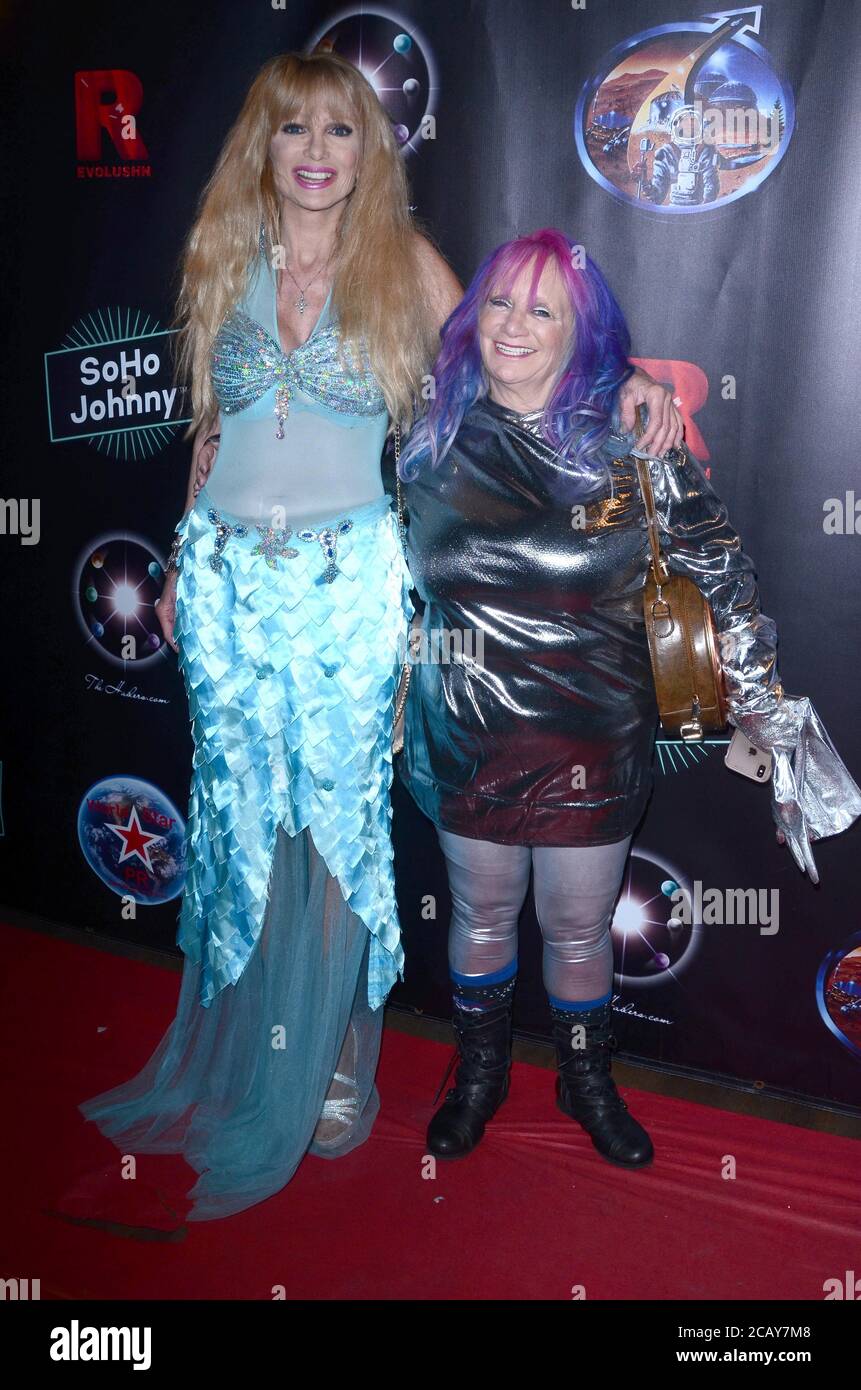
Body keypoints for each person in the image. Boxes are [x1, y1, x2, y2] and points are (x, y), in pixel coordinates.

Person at [80, 52, 678, 1220]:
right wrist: (179, 548)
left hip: (352, 588)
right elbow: (213, 424)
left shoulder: (402, 266)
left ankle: (339, 1056)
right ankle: (256, 1050)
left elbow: (521, 360)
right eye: (293, 127)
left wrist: (637, 385)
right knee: (240, 828)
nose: (315, 151)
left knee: (340, 832)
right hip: (226, 594)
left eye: (340, 131)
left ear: (371, 151)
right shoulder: (219, 258)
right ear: (264, 142)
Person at [396, 227, 861, 1169]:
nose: (513, 326)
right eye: (497, 302)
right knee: (479, 917)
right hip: (468, 733)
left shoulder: (633, 434)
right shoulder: (421, 430)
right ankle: (480, 1075)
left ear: (583, 334)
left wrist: (768, 713)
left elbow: (719, 573)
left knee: (576, 925)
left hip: (593, 738)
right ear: (468, 316)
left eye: (542, 310)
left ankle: (585, 1078)